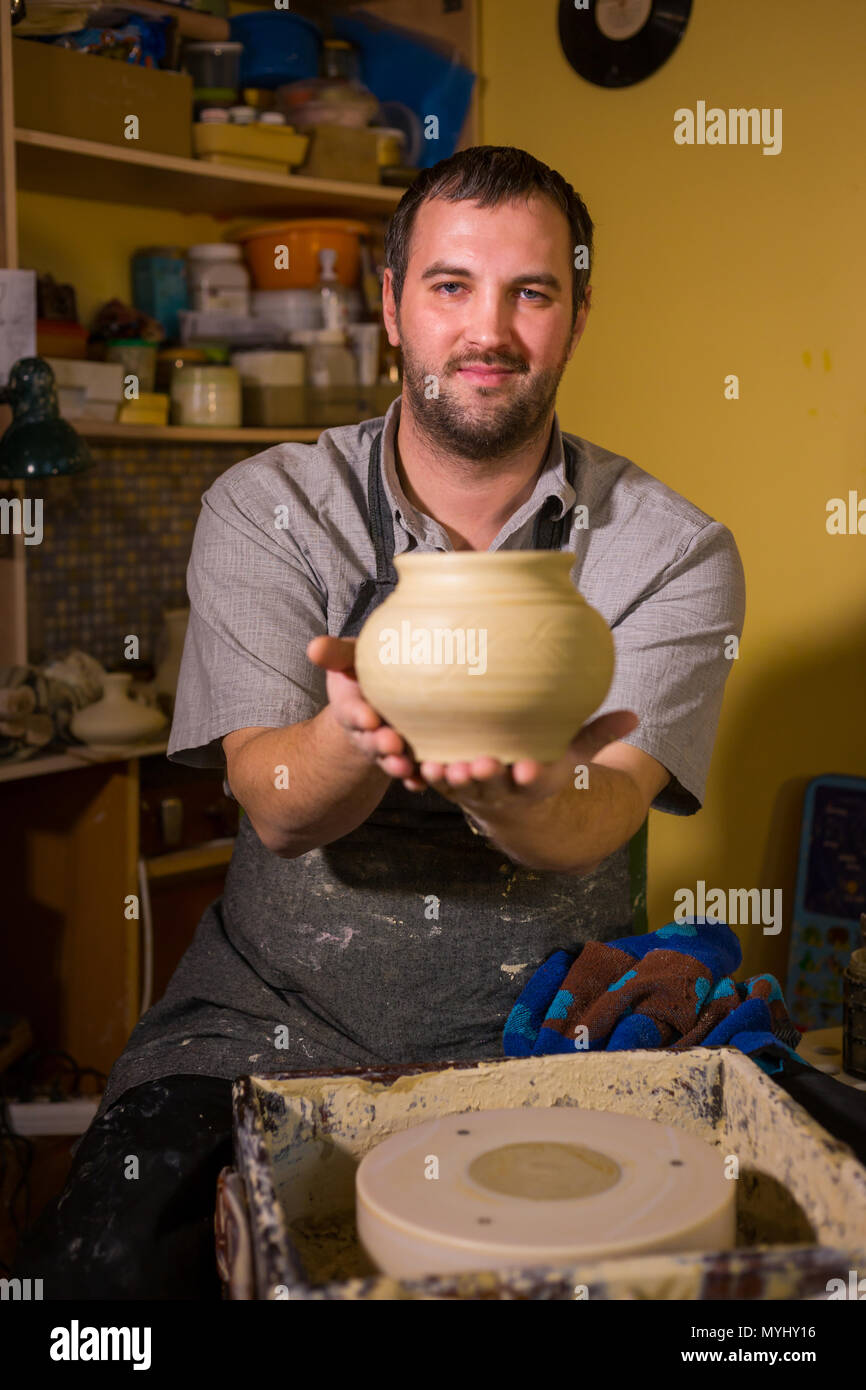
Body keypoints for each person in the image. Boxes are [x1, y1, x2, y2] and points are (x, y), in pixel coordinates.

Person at [14, 145, 745, 1298]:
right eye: (450, 286)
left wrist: (511, 794)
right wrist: (358, 731)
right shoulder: (269, 509)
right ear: (392, 308)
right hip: (266, 1021)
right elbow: (273, 802)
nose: (488, 329)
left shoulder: (671, 548)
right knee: (101, 1284)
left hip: (546, 1020)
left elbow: (594, 818)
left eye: (531, 291)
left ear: (576, 313)